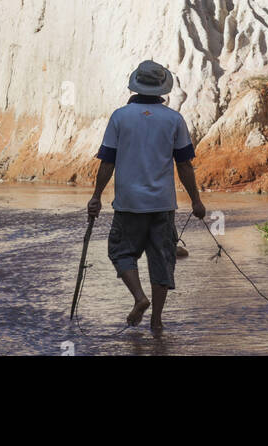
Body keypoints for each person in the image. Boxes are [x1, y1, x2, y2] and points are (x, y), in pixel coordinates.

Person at [88, 59, 205, 334]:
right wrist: (196, 201)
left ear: (135, 86)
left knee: (120, 251)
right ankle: (157, 321)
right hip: (162, 204)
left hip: (128, 203)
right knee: (163, 258)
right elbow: (184, 165)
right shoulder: (174, 119)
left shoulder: (120, 116)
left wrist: (96, 196)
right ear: (162, 89)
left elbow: (107, 162)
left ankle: (140, 298)